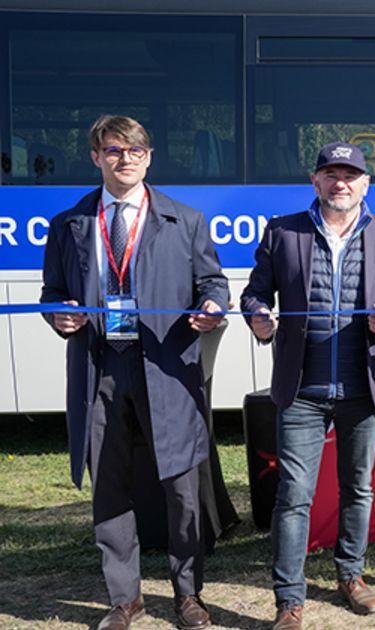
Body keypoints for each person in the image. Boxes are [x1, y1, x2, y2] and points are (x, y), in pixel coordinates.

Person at [40, 114, 228, 630]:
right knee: (109, 484)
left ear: (149, 158)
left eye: (135, 151)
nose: (125, 159)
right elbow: (52, 292)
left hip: (166, 366)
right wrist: (58, 315)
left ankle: (188, 594)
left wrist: (211, 307)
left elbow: (213, 283)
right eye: (114, 150)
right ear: (96, 157)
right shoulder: (70, 224)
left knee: (182, 486)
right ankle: (125, 599)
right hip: (100, 366)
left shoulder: (185, 220)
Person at [240, 142, 375, 630]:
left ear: (366, 184)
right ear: (315, 181)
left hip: (362, 386)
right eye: (331, 174)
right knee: (294, 493)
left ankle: (350, 574)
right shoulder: (283, 231)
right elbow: (254, 293)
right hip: (301, 389)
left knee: (358, 487)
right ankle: (289, 598)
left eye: (350, 175)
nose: (341, 183)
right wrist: (258, 315)